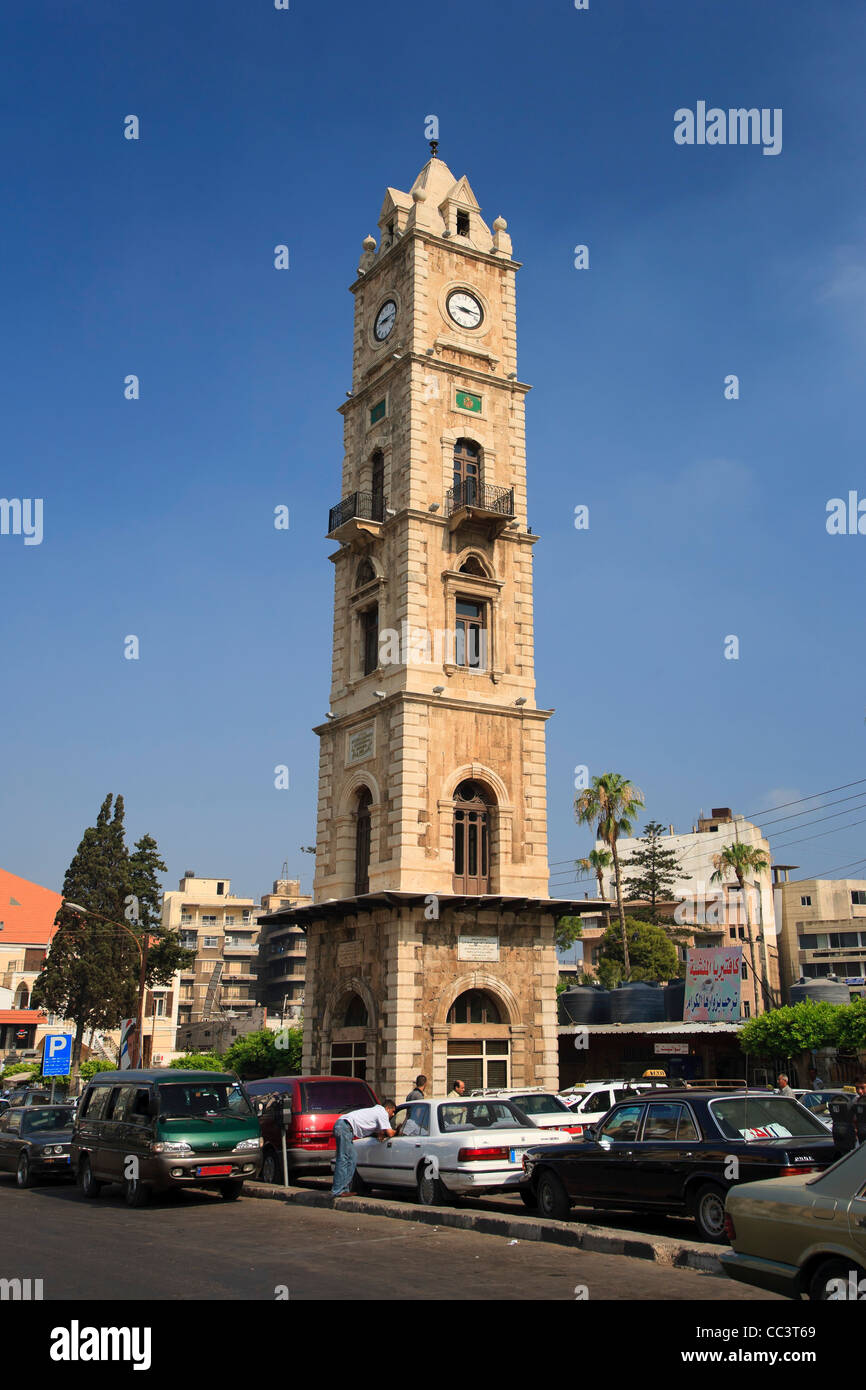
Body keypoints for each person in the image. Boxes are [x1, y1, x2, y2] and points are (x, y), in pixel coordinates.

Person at [331, 1100, 397, 1197]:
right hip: (345, 1127)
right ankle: (338, 1190)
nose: (393, 1114)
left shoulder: (376, 1111)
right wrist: (399, 1130)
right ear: (387, 1108)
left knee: (351, 1158)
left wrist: (381, 1134)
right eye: (393, 1111)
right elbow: (390, 1133)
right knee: (345, 1159)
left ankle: (343, 1189)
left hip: (343, 1126)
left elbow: (379, 1132)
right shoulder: (382, 1112)